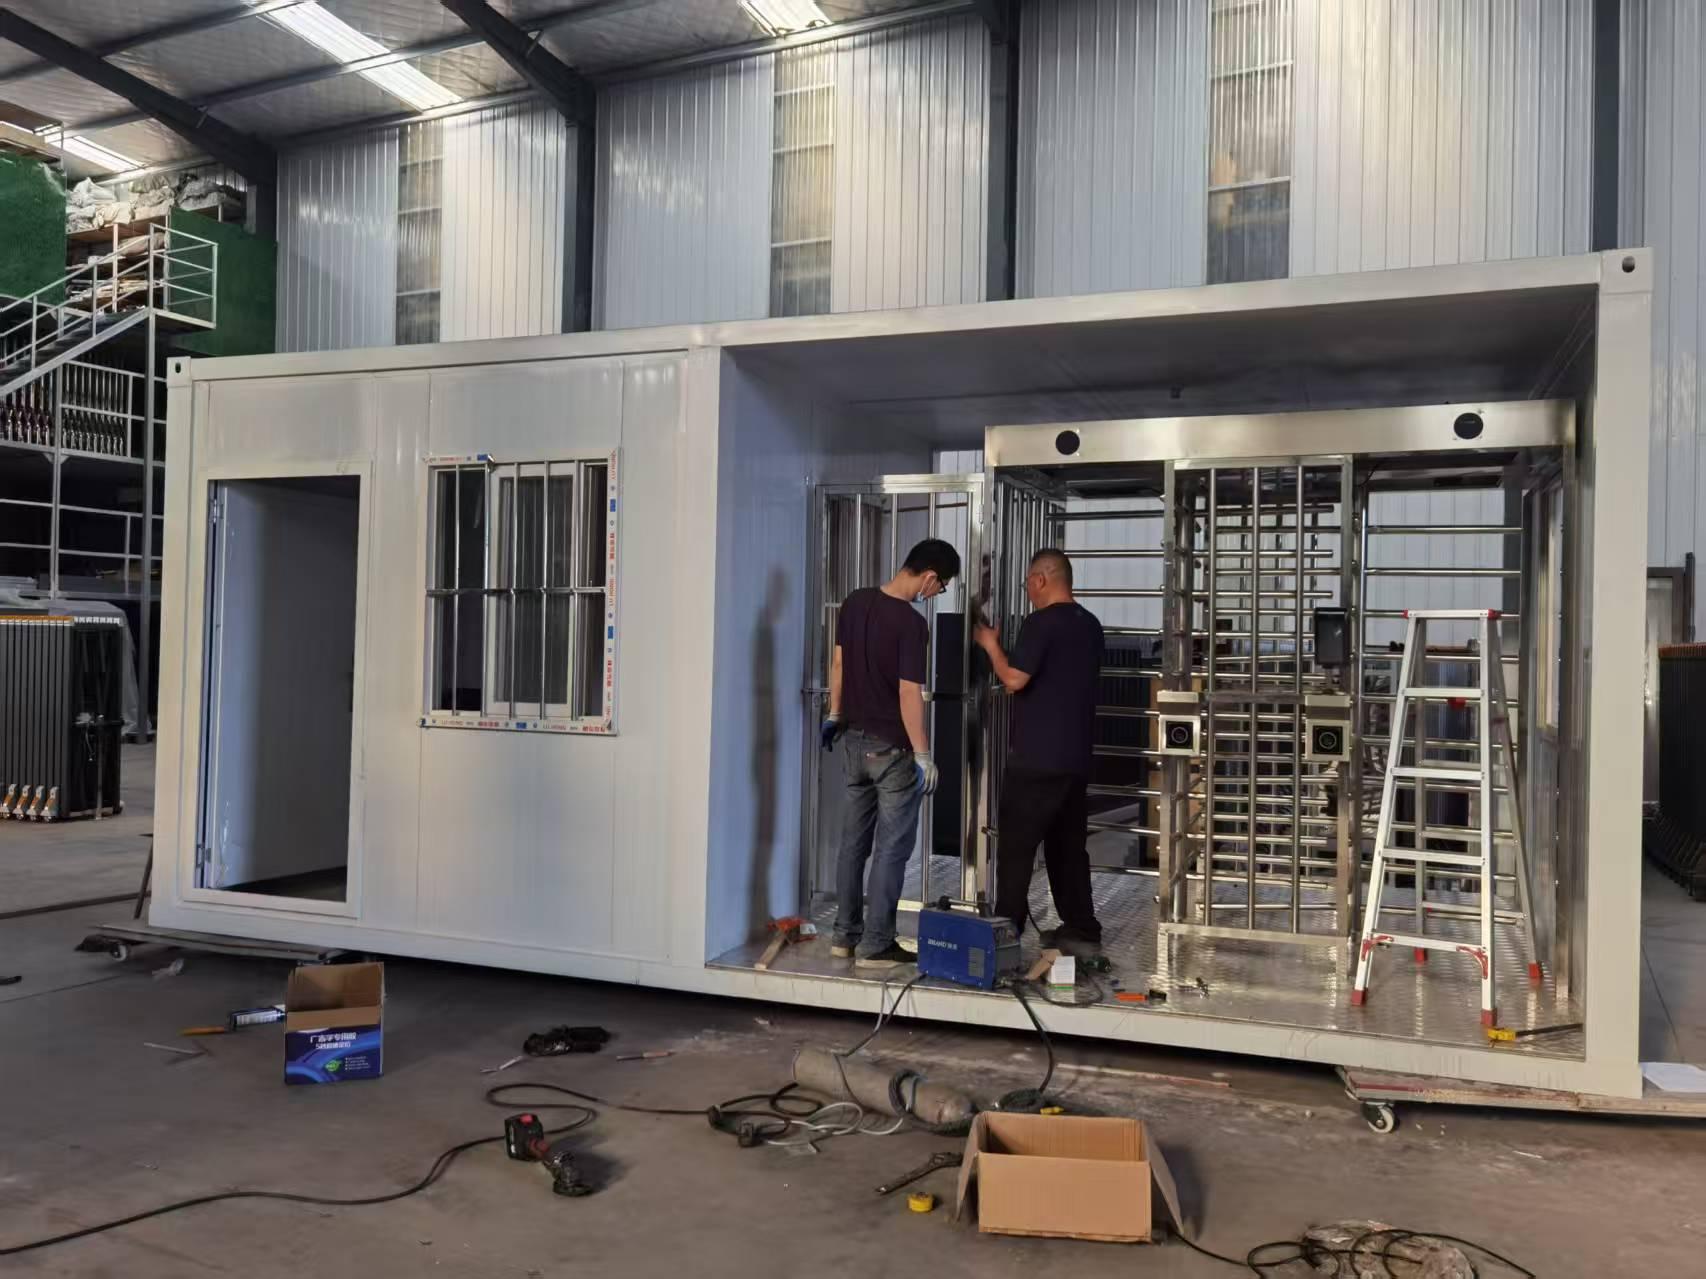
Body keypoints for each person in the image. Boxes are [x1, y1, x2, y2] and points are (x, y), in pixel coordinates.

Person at [822, 538, 961, 971]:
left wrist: (834, 714)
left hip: (852, 741)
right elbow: (908, 693)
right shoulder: (911, 624)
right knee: (891, 849)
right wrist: (923, 754)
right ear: (929, 577)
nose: (936, 594)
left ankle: (844, 937)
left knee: (852, 845)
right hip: (892, 751)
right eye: (941, 587)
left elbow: (839, 664)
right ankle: (876, 944)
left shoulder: (854, 602)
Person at [974, 548, 1105, 953]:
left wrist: (990, 644)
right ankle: (1081, 928)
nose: (1028, 590)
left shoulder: (1042, 622)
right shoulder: (1091, 624)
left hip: (1036, 758)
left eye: (1028, 582)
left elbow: (1015, 679)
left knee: (1016, 847)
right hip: (1075, 757)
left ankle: (1005, 933)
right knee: (1067, 848)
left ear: (1041, 580)